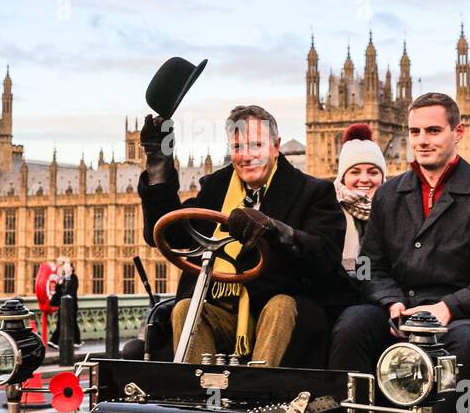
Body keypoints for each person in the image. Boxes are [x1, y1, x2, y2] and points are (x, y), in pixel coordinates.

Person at [328, 92, 470, 413]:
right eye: (415, 131)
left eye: (434, 130)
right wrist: (389, 300)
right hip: (399, 308)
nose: (422, 140)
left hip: (459, 315)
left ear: (458, 132)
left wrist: (450, 307)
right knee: (351, 324)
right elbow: (371, 266)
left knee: (466, 348)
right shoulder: (389, 194)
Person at [139, 104, 348, 367]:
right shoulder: (215, 188)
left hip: (283, 315)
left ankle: (259, 392)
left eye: (256, 145)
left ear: (275, 146)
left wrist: (274, 228)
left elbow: (325, 256)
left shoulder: (313, 192)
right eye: (238, 148)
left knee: (280, 306)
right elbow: (170, 234)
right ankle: (196, 394)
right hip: (223, 311)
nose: (246, 156)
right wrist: (158, 166)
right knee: (185, 308)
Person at [333, 123, 387, 276]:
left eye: (373, 172)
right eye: (355, 172)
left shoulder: (398, 211)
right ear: (343, 178)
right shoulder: (327, 211)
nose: (364, 179)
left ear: (383, 177)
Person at [49, 257, 81, 348]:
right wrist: (60, 282)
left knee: (73, 322)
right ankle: (55, 341)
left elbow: (72, 291)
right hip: (62, 305)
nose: (66, 269)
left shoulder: (74, 278)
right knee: (60, 322)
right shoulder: (63, 279)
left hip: (71, 305)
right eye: (65, 268)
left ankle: (76, 341)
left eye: (67, 268)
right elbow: (58, 291)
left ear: (71, 269)